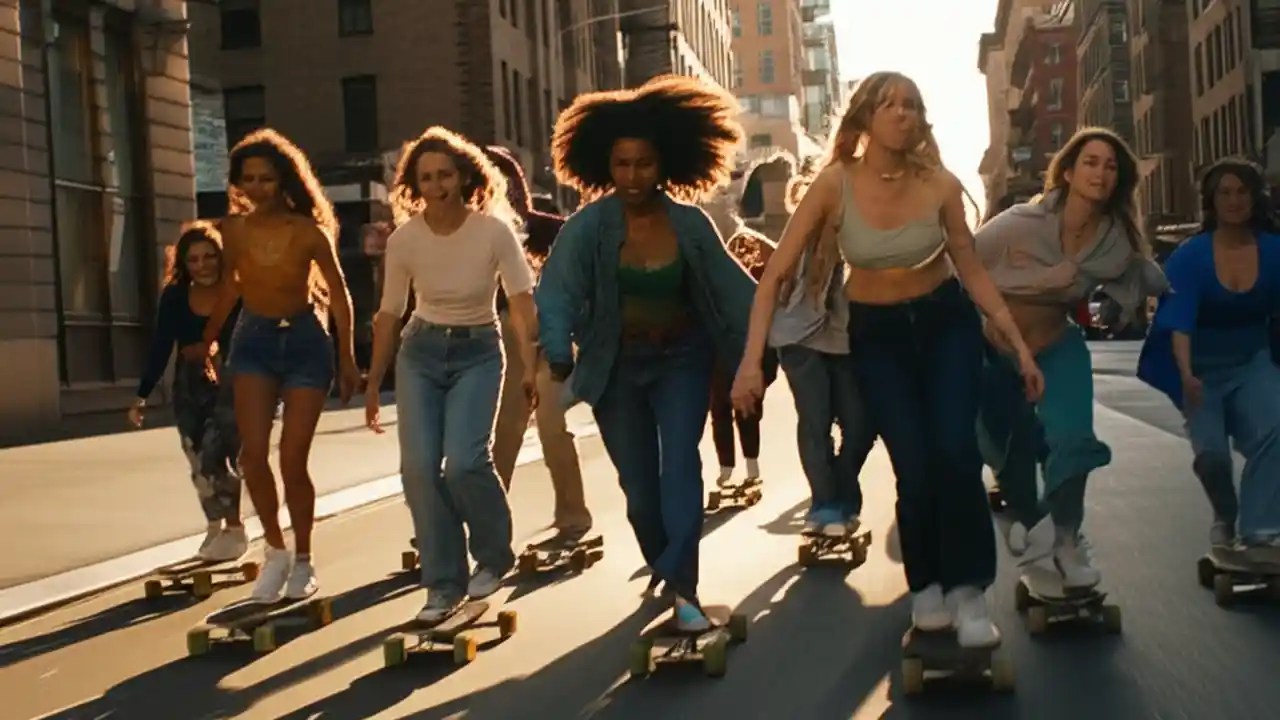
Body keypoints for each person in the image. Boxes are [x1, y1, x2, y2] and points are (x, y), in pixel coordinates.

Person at [731, 71, 1043, 648]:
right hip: (877, 337)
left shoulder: (941, 185)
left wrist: (1019, 347)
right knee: (915, 464)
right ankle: (926, 585)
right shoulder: (834, 184)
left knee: (955, 452)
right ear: (865, 118)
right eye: (890, 104)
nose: (904, 113)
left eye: (913, 105)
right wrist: (751, 363)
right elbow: (774, 275)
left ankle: (969, 590)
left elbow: (972, 270)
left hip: (946, 324)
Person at [536, 75, 761, 631]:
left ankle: (684, 583)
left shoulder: (690, 224)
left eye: (643, 163)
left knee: (680, 463)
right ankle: (664, 561)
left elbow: (736, 291)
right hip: (614, 367)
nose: (633, 176)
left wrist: (758, 350)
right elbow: (557, 291)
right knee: (638, 490)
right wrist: (559, 350)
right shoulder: (588, 227)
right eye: (621, 164)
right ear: (604, 167)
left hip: (682, 358)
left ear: (665, 164)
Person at [974, 128, 1167, 597]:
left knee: (1072, 437)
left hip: (1059, 348)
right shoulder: (1020, 222)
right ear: (1068, 170)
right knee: (1008, 458)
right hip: (995, 355)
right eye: (1091, 162)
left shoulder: (1115, 241)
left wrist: (1160, 296)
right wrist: (1040, 278)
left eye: (1110, 166)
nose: (1100, 173)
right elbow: (964, 264)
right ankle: (1036, 525)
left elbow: (1149, 277)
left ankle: (1065, 540)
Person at [364, 127, 538, 622]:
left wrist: (530, 365)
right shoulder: (405, 240)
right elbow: (389, 313)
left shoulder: (493, 232)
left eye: (445, 175)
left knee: (463, 463)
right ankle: (442, 584)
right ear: (414, 185)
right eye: (426, 178)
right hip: (419, 353)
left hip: (478, 352)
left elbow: (522, 303)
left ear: (464, 177)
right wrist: (375, 380)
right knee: (419, 469)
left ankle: (493, 555)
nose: (436, 185)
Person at [199, 128, 361, 602]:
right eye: (247, 179)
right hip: (253, 341)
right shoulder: (231, 231)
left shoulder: (308, 232)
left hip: (306, 342)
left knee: (292, 459)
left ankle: (305, 560)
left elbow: (338, 292)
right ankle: (275, 551)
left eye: (266, 179)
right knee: (252, 456)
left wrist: (348, 357)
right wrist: (206, 339)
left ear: (284, 181)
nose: (255, 188)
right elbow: (229, 288)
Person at [1139, 157, 1280, 562]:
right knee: (1212, 456)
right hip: (1198, 367)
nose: (1234, 200)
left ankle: (1262, 532)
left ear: (1254, 197)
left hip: (1252, 360)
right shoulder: (1191, 256)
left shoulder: (1273, 251)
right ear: (1211, 201)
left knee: (1275, 432)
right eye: (1225, 192)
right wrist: (1185, 375)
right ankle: (1225, 513)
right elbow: (1178, 322)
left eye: (1242, 192)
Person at [484, 145, 594, 543]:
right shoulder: (478, 236)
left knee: (550, 421)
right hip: (506, 341)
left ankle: (572, 512)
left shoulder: (549, 230)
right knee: (505, 429)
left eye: (506, 182)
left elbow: (580, 284)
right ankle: (489, 521)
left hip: (552, 338)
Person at [130, 222, 246, 562]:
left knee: (217, 453)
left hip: (231, 383)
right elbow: (161, 345)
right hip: (190, 385)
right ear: (183, 263)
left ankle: (236, 530)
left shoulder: (236, 291)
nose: (202, 265)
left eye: (209, 256)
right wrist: (142, 394)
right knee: (196, 458)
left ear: (221, 257)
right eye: (193, 259)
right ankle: (215, 527)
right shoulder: (176, 295)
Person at [702, 167, 776, 488]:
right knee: (719, 405)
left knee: (744, 403)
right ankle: (728, 467)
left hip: (749, 340)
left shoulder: (755, 245)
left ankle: (751, 464)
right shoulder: (703, 246)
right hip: (717, 341)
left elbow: (776, 286)